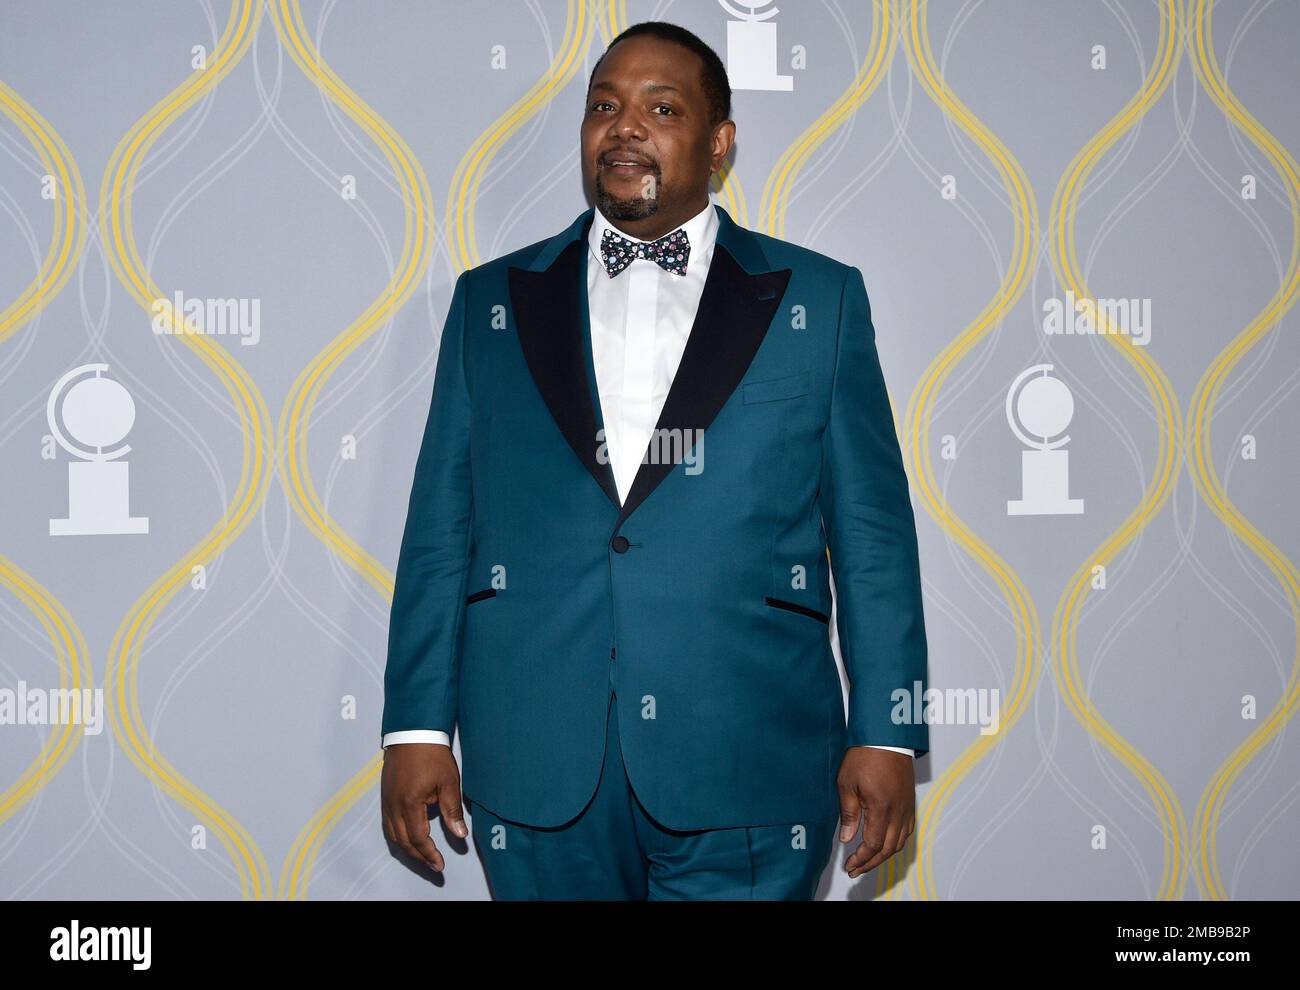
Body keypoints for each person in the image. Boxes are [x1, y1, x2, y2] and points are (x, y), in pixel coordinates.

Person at [379, 20, 929, 900]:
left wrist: (888, 731)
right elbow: (442, 528)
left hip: (750, 752)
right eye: (605, 106)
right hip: (537, 755)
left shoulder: (819, 300)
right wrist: (414, 728)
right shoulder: (490, 303)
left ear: (719, 145)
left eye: (662, 108)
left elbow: (871, 534)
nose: (625, 126)